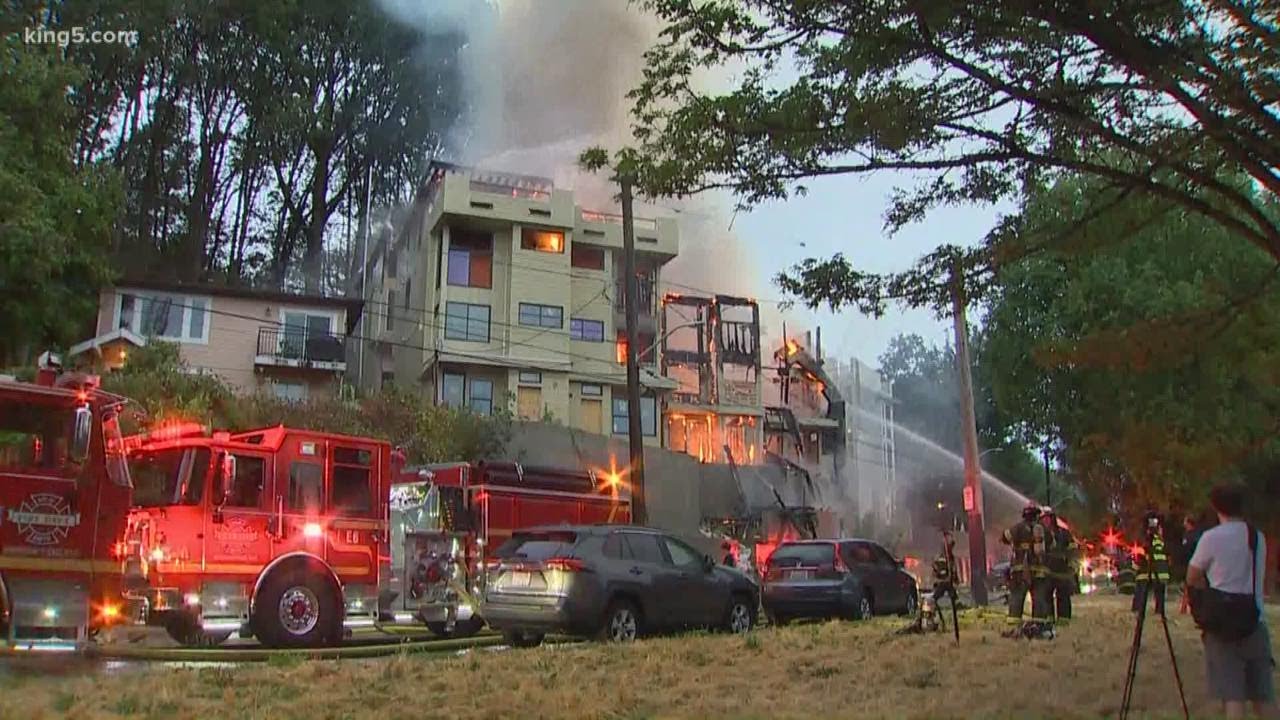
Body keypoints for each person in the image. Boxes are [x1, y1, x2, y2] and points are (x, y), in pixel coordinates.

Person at [1187, 484, 1275, 718]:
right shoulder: (1257, 537)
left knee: (1233, 697)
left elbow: (1192, 576)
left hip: (1223, 626)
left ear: (1216, 507)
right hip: (1255, 621)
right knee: (1263, 697)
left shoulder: (1211, 538)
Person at [1001, 503, 1050, 638]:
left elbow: (1004, 538)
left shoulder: (1018, 528)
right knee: (1039, 599)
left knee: (1017, 598)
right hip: (1039, 573)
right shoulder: (1043, 530)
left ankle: (1014, 629)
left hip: (1020, 572)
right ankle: (1038, 628)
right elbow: (1052, 544)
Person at [1041, 507, 1078, 626]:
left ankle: (1064, 620)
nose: (1046, 521)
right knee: (1046, 595)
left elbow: (1072, 548)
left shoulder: (1063, 533)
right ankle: (1049, 620)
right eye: (1043, 519)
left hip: (1062, 570)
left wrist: (1071, 562)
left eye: (1048, 518)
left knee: (1063, 595)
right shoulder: (1040, 535)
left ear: (1052, 519)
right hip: (1046, 570)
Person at [1134, 510, 1171, 616]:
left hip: (1157, 568)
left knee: (1152, 589)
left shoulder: (1154, 538)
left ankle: (1151, 608)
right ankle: (1149, 608)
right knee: (1150, 589)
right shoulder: (1154, 538)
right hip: (1155, 568)